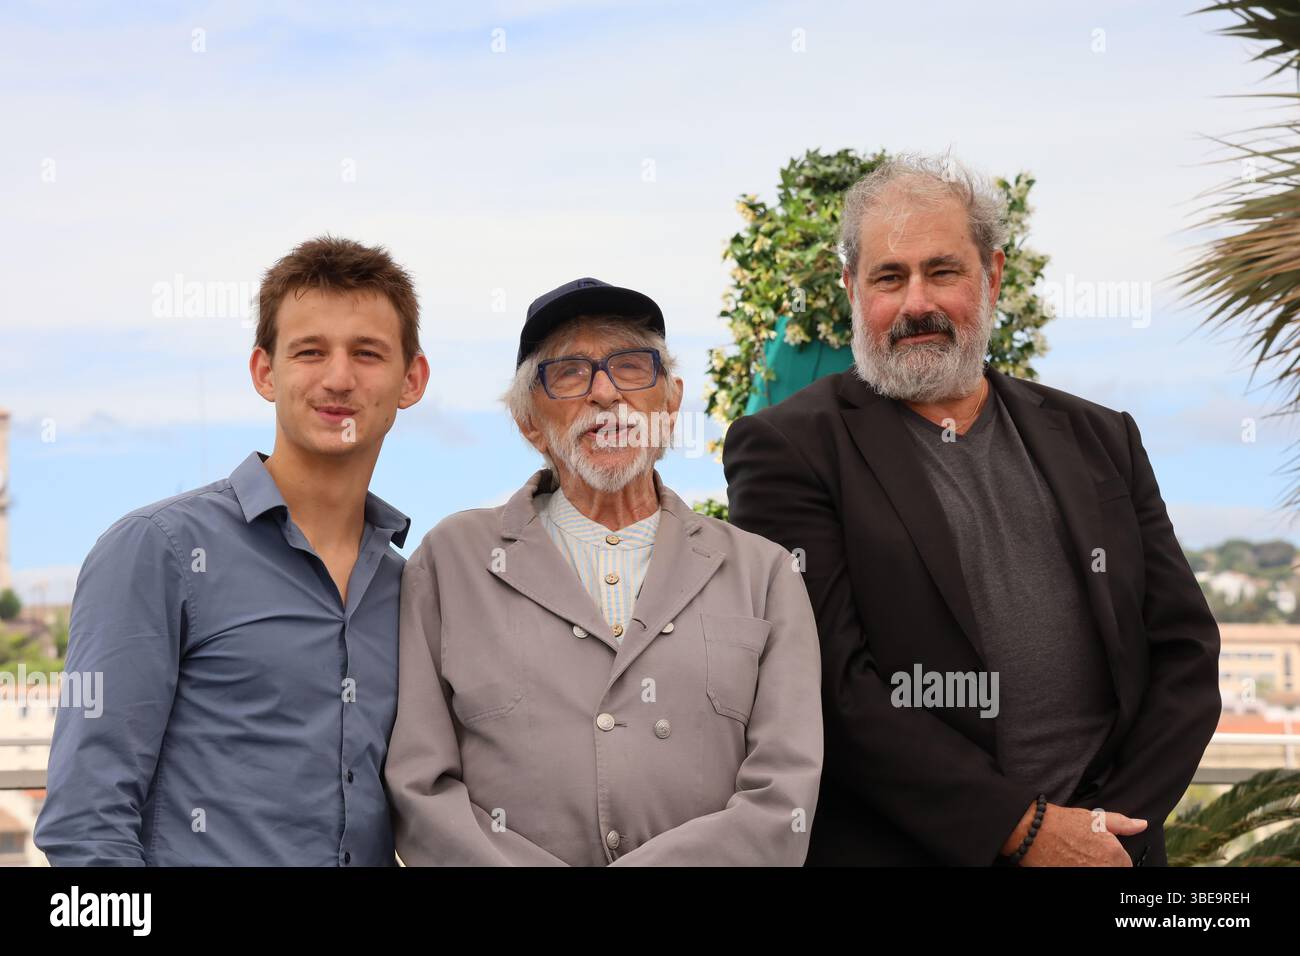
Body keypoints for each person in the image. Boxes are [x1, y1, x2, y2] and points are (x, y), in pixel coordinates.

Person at [723, 154, 1221, 866]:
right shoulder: (788, 449)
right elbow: (829, 684)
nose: (915, 302)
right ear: (851, 290)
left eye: (943, 271)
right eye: (888, 277)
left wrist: (1107, 834)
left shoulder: (1101, 437)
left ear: (992, 277)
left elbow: (1185, 651)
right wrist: (1021, 832)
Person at [385, 277, 823, 865]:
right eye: (568, 372)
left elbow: (783, 796)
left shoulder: (764, 574)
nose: (605, 392)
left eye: (631, 366)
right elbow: (421, 791)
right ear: (530, 425)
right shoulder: (451, 561)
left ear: (669, 406)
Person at [36, 236, 430, 865]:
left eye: (367, 353)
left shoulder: (410, 589)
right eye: (309, 351)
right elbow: (84, 823)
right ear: (264, 373)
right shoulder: (157, 550)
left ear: (411, 379)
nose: (338, 377)